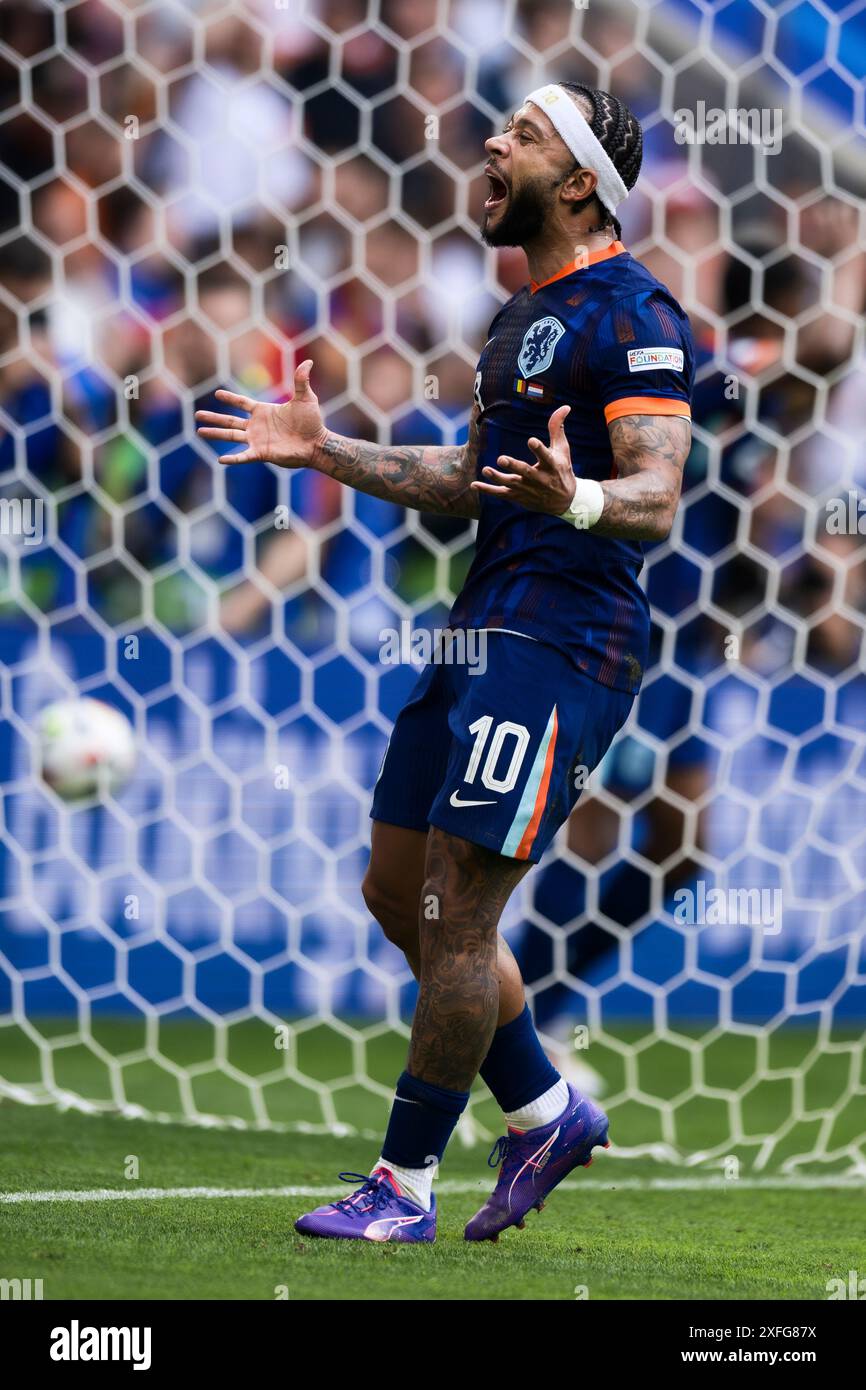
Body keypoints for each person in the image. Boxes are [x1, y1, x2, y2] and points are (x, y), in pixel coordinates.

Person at [196, 81, 694, 1243]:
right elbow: (466, 475)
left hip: (564, 640)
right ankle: (542, 1105)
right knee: (396, 889)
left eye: (520, 134)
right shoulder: (518, 316)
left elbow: (656, 492)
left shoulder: (635, 311)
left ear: (577, 181)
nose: (490, 141)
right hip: (481, 624)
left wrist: (573, 492)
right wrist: (327, 451)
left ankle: (400, 1185)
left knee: (460, 905)